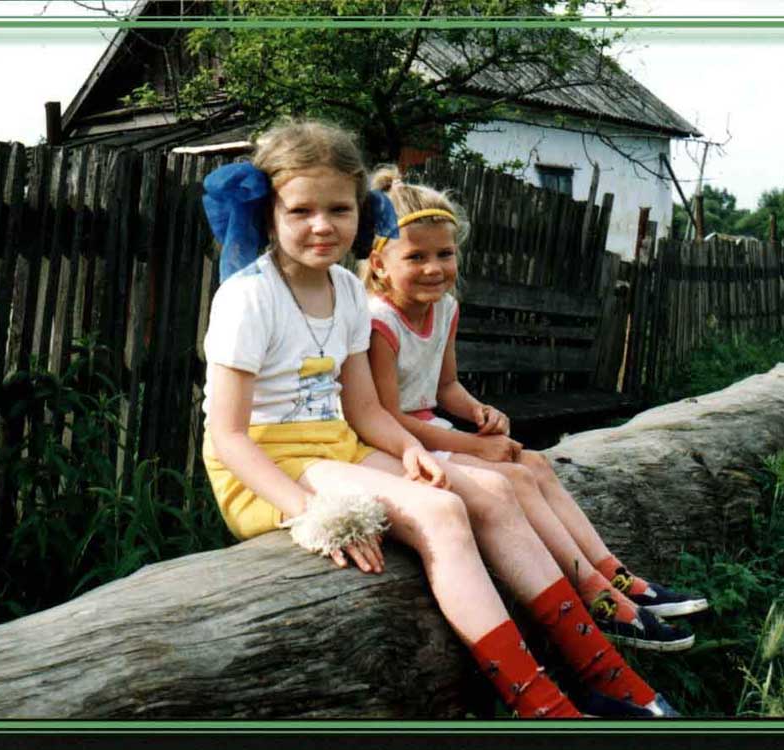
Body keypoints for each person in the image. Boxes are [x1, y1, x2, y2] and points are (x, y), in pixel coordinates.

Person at [200, 119, 678, 719]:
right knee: (442, 510)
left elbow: (366, 409)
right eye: (300, 211)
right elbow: (230, 435)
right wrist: (312, 514)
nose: (322, 226)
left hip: (337, 447)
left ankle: (601, 668)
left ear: (361, 211)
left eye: (339, 209)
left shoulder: (348, 291)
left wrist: (409, 451)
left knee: (491, 489)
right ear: (268, 211)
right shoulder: (248, 297)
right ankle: (540, 704)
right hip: (269, 465)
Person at [362, 166, 708, 652]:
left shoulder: (445, 309)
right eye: (415, 256)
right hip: (397, 446)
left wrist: (481, 412)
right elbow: (388, 415)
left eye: (445, 253)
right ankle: (594, 598)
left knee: (536, 463)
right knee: (515, 477)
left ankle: (615, 576)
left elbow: (445, 387)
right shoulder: (379, 323)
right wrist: (476, 445)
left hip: (435, 431)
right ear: (379, 264)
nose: (434, 268)